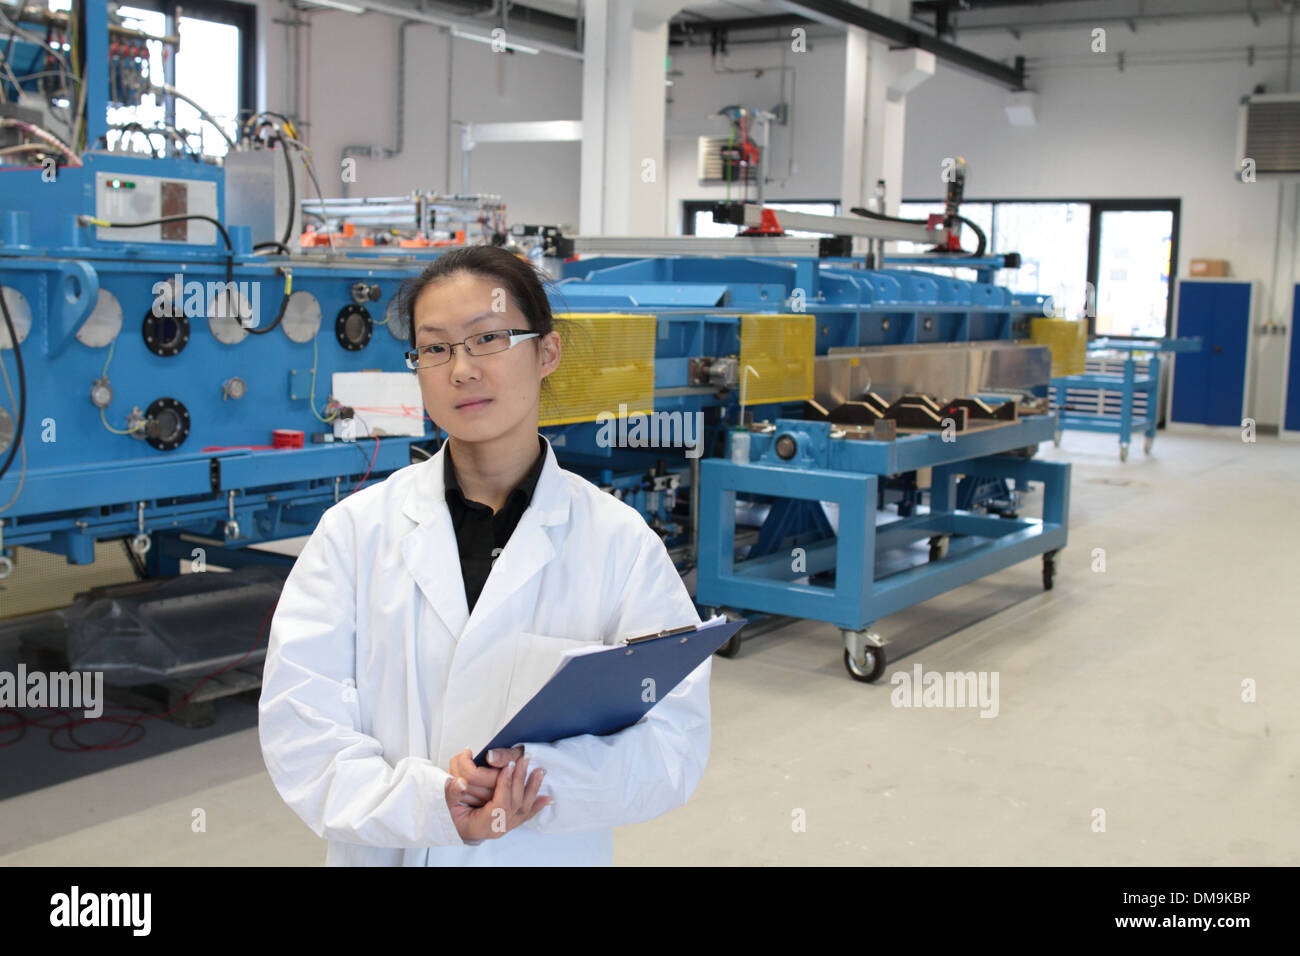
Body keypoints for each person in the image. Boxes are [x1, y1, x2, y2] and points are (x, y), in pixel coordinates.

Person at [258, 245, 710, 866]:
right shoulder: (354, 535)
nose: (461, 370)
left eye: (488, 338)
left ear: (546, 352)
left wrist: (534, 777)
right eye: (435, 348)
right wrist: (428, 805)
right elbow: (300, 726)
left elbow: (674, 742)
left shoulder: (619, 544)